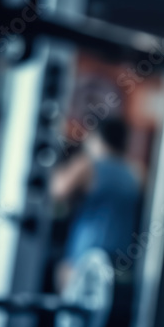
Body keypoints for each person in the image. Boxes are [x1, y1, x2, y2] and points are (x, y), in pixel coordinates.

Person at [51, 115, 141, 289]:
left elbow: (57, 190)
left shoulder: (87, 166)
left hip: (84, 256)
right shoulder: (135, 173)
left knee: (70, 308)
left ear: (96, 138)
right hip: (119, 259)